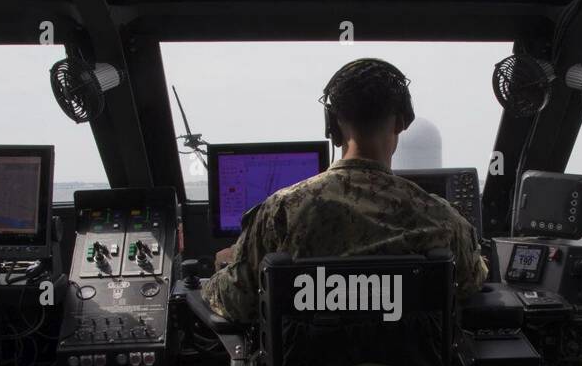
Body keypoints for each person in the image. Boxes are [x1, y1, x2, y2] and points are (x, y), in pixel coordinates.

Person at [203, 58, 487, 325]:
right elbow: (471, 282)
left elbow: (239, 302)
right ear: (402, 121)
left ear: (332, 128)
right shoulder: (440, 218)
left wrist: (221, 271)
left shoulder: (281, 212)